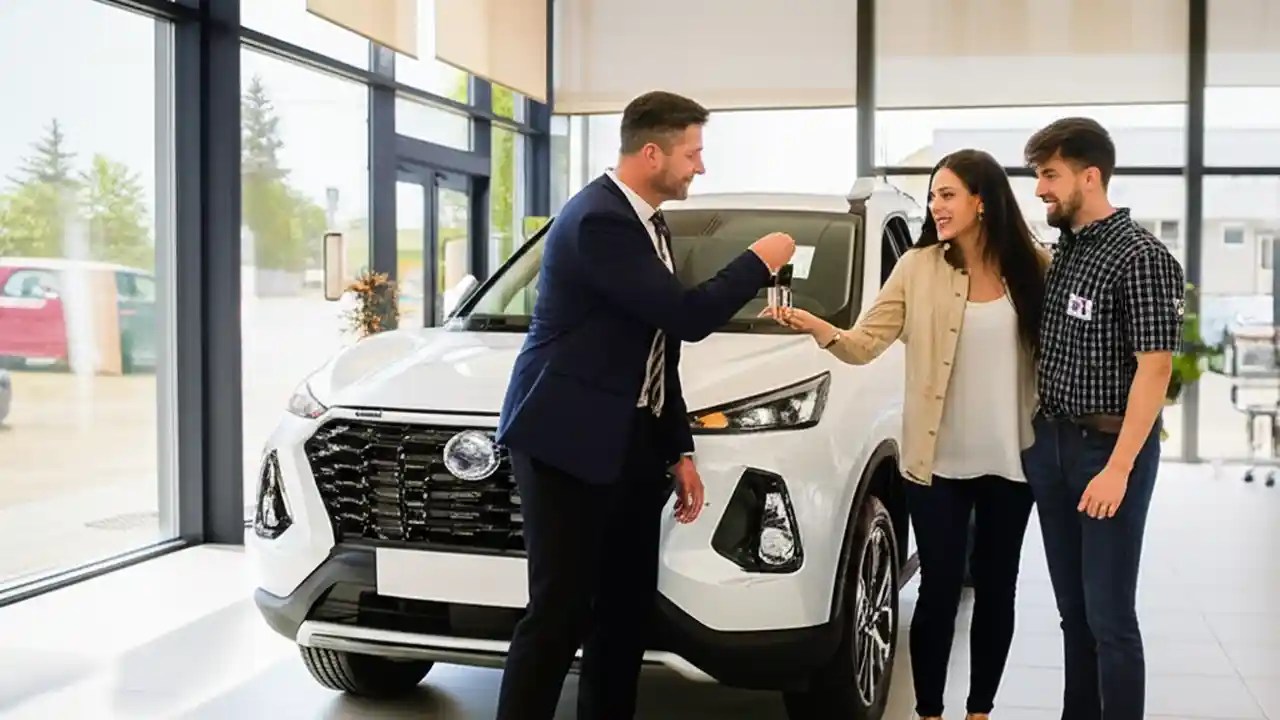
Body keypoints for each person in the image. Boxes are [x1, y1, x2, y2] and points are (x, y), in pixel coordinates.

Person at [493, 90, 795, 720]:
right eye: (693, 154)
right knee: (559, 613)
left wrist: (678, 448)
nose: (700, 168)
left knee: (625, 611)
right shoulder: (599, 220)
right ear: (651, 151)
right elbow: (684, 318)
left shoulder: (645, 221)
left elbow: (655, 346)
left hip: (628, 440)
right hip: (564, 440)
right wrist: (758, 262)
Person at [769, 149, 1049, 720]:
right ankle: (929, 711)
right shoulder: (918, 268)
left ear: (981, 200)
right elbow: (865, 342)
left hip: (1013, 461)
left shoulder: (1035, 267)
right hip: (936, 461)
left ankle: (980, 710)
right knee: (939, 589)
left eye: (947, 194)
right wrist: (817, 326)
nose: (936, 206)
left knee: (998, 589)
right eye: (933, 196)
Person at [1021, 118, 1184, 720]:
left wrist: (1118, 470)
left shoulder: (1141, 258)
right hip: (1053, 446)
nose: (1040, 189)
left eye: (1050, 175)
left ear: (1090, 177)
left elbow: (1156, 371)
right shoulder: (1069, 249)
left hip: (1107, 454)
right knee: (1073, 615)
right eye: (1039, 175)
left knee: (1110, 618)